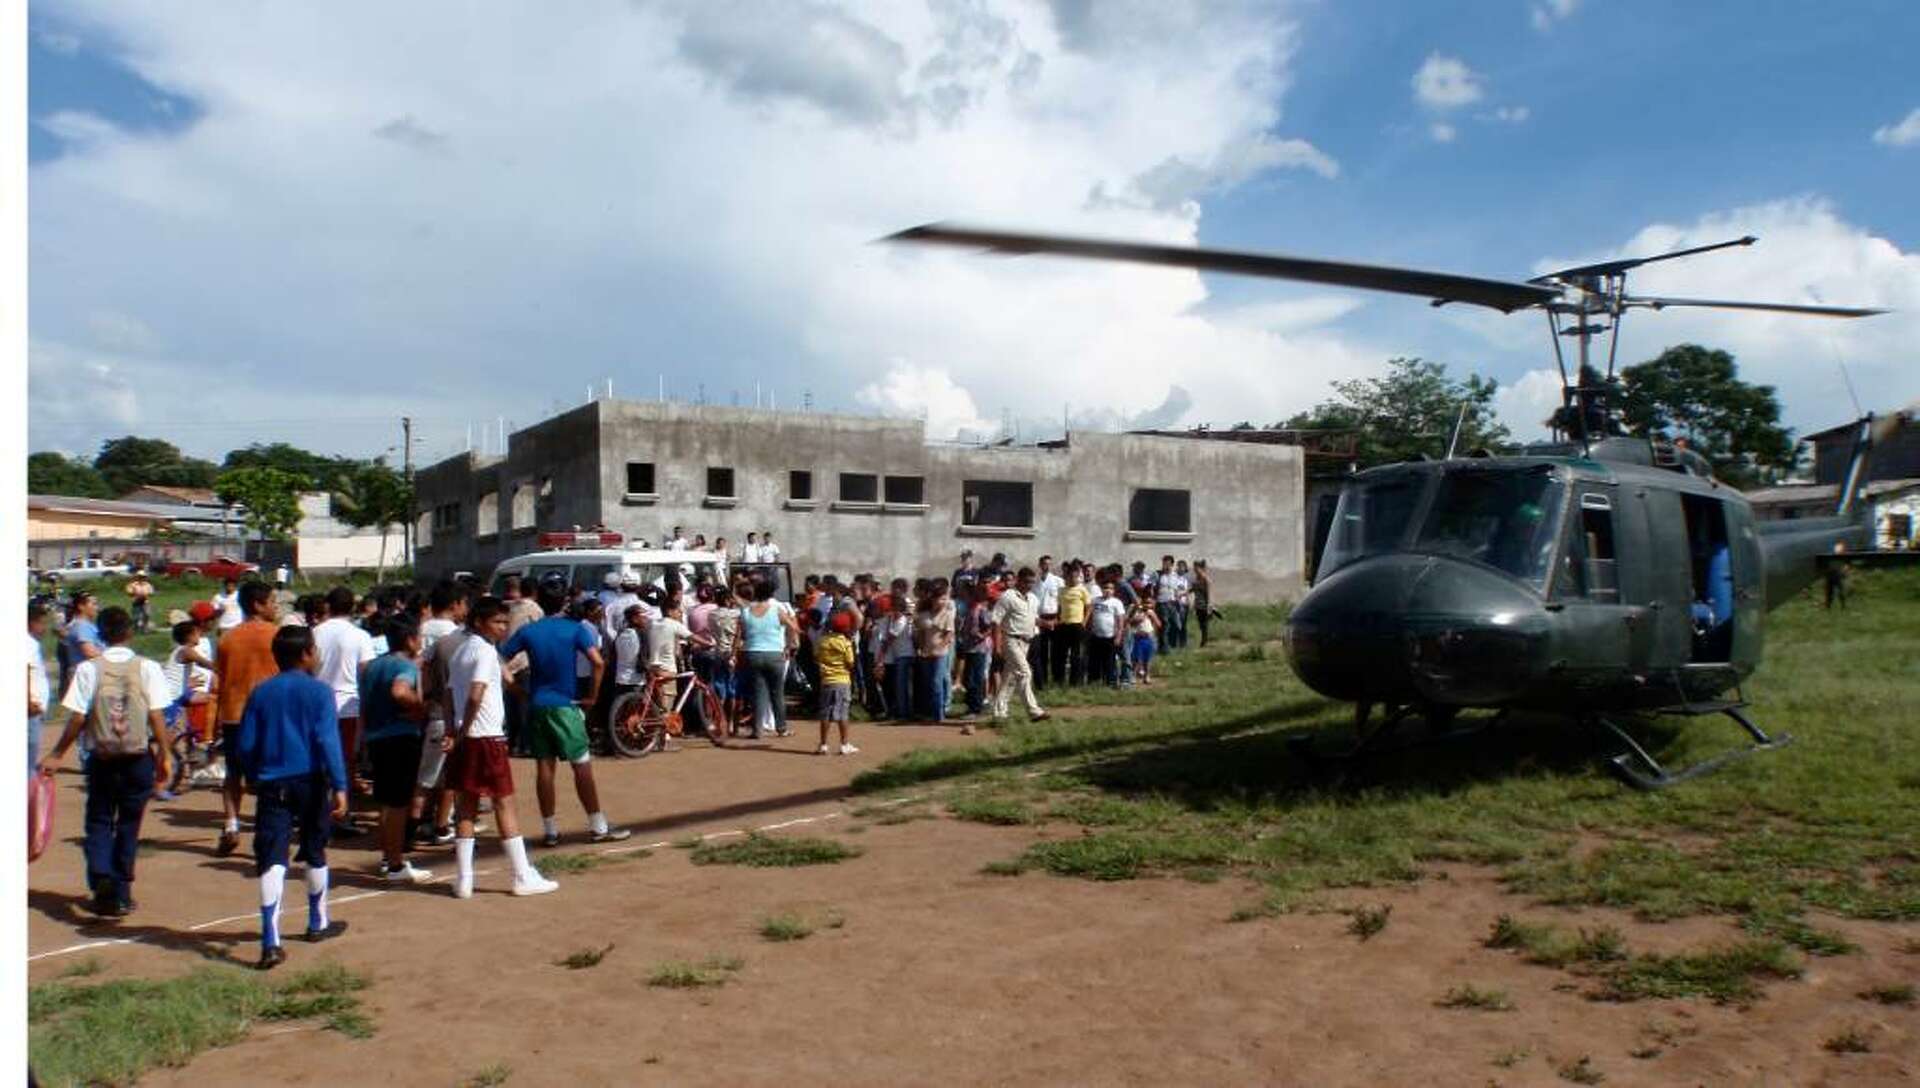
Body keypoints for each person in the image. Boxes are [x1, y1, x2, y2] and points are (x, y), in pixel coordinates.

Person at [38, 606, 173, 917]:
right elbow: (156, 716)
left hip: (102, 757)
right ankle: (122, 892)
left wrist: (58, 753)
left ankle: (101, 879)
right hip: (137, 758)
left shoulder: (89, 669)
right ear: (129, 632)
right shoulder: (147, 667)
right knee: (129, 823)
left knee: (99, 820)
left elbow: (76, 718)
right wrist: (164, 754)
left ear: (101, 633)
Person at [230, 625, 350, 968]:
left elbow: (246, 744)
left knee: (272, 856)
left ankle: (270, 937)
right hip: (310, 781)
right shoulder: (319, 692)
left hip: (272, 781)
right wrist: (340, 785)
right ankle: (317, 920)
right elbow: (328, 741)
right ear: (306, 654)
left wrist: (254, 775)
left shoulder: (261, 692)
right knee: (315, 848)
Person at [499, 579, 632, 848]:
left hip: (538, 705)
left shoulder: (530, 631)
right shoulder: (575, 630)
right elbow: (597, 662)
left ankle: (550, 830)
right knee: (581, 765)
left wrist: (516, 690)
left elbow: (500, 658)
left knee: (544, 768)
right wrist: (592, 696)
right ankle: (597, 825)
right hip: (565, 704)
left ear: (538, 599)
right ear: (566, 601)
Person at [446, 597, 557, 899]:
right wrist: (463, 730)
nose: (504, 627)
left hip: (466, 737)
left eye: (505, 622)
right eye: (498, 622)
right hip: (486, 737)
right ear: (480, 622)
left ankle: (464, 880)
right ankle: (522, 875)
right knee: (503, 804)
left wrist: (453, 731)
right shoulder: (482, 651)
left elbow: (447, 695)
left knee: (466, 806)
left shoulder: (461, 652)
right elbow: (475, 695)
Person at [359, 615, 434, 884]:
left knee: (386, 802)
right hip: (400, 739)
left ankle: (388, 857)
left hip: (376, 738)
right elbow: (400, 691)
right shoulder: (406, 666)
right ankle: (395, 863)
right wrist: (420, 706)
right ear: (410, 640)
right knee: (399, 803)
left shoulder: (373, 667)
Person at [213, 582, 281, 856]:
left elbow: (221, 680)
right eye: (272, 601)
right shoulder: (276, 635)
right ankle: (266, 832)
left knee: (233, 773)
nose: (275, 607)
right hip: (267, 716)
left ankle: (231, 824)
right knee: (268, 776)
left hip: (233, 714)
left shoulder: (227, 639)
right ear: (257, 605)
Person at [312, 587, 376, 832]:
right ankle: (341, 814)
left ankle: (321, 812)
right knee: (346, 759)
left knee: (319, 759)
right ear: (352, 607)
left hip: (319, 704)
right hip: (348, 705)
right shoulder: (359, 635)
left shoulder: (316, 633)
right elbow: (365, 673)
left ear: (328, 605)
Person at [739, 578, 798, 739]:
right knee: (777, 693)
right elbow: (794, 627)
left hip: (753, 653)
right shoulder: (776, 610)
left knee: (758, 693)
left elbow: (743, 634)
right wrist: (788, 645)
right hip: (774, 653)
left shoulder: (745, 611)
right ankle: (781, 728)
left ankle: (757, 729)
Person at [989, 568, 1048, 723]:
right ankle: (1034, 711)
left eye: (1032, 582)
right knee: (1025, 672)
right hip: (1010, 639)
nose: (1029, 585)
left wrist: (1046, 623)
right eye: (1027, 581)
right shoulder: (1007, 597)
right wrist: (997, 645)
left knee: (1009, 678)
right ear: (1018, 580)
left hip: (1026, 641)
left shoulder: (1033, 599)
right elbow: (996, 621)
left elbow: (1032, 618)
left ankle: (999, 712)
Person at [814, 614, 857, 755]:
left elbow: (816, 656)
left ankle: (823, 744)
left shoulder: (823, 641)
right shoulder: (845, 642)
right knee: (843, 713)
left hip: (826, 680)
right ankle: (844, 744)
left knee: (825, 713)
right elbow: (850, 662)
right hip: (842, 681)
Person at [913, 581, 954, 723]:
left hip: (940, 654)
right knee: (929, 683)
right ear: (933, 599)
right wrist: (920, 647)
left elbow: (949, 635)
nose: (943, 601)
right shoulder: (924, 615)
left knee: (937, 682)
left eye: (945, 598)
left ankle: (939, 715)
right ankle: (931, 712)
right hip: (925, 653)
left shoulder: (947, 615)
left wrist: (939, 647)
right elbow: (920, 633)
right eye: (940, 598)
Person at [955, 579, 993, 729]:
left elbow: (990, 626)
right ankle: (971, 705)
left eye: (965, 593)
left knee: (974, 679)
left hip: (979, 649)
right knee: (967, 678)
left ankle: (975, 708)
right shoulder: (969, 609)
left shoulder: (980, 609)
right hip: (969, 648)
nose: (963, 596)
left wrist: (982, 635)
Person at [875, 582, 915, 722]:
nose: (892, 610)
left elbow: (888, 640)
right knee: (898, 686)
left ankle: (904, 713)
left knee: (902, 686)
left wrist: (880, 659)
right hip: (898, 656)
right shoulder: (891, 620)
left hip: (904, 655)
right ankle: (899, 711)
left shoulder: (901, 621)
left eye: (895, 608)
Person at [1030, 556, 1063, 690]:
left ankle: (1057, 680)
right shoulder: (1035, 582)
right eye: (1044, 564)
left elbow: (1062, 601)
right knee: (1041, 651)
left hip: (1054, 617)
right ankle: (1041, 682)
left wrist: (1058, 618)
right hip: (1040, 618)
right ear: (1039, 565)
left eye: (1049, 564)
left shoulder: (1058, 581)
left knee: (1056, 651)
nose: (1046, 566)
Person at [1086, 580, 1127, 688]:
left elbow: (1120, 621)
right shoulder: (1095, 601)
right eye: (1105, 588)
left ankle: (1110, 683)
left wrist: (1118, 636)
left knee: (1109, 661)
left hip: (1110, 637)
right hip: (1096, 636)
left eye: (1110, 588)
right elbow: (1089, 617)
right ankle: (1094, 682)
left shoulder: (1117, 603)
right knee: (1094, 661)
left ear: (1113, 591)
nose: (1107, 590)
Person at [1055, 566, 1091, 685]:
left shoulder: (1082, 590)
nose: (1072, 579)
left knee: (1076, 655)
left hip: (1077, 626)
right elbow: (1059, 607)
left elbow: (1089, 607)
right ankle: (1059, 681)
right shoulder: (1061, 590)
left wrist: (1084, 622)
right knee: (1061, 654)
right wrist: (1058, 619)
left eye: (1075, 577)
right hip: (1064, 625)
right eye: (1070, 576)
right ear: (1066, 577)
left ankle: (1075, 682)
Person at [28, 601, 52, 775]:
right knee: (27, 764)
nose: (45, 628)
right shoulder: (27, 643)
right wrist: (28, 701)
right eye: (42, 623)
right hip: (29, 711)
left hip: (33, 710)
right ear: (31, 623)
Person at [1126, 594, 1163, 685]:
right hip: (1137, 637)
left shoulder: (1151, 612)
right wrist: (1140, 618)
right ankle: (1133, 676)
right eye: (1146, 603)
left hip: (1149, 637)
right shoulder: (1136, 611)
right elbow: (1130, 622)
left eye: (1149, 603)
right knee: (1136, 658)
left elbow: (1159, 624)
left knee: (1148, 658)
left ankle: (1147, 676)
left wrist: (1152, 618)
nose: (1147, 605)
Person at [1191, 560, 1217, 647]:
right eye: (1194, 568)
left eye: (1196, 568)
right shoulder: (1196, 579)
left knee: (1204, 625)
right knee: (1201, 624)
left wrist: (1209, 606)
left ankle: (1204, 642)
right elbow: (1193, 589)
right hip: (1198, 605)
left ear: (1201, 568)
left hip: (1204, 605)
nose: (1194, 569)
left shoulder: (1206, 579)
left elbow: (1209, 593)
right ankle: (1203, 641)